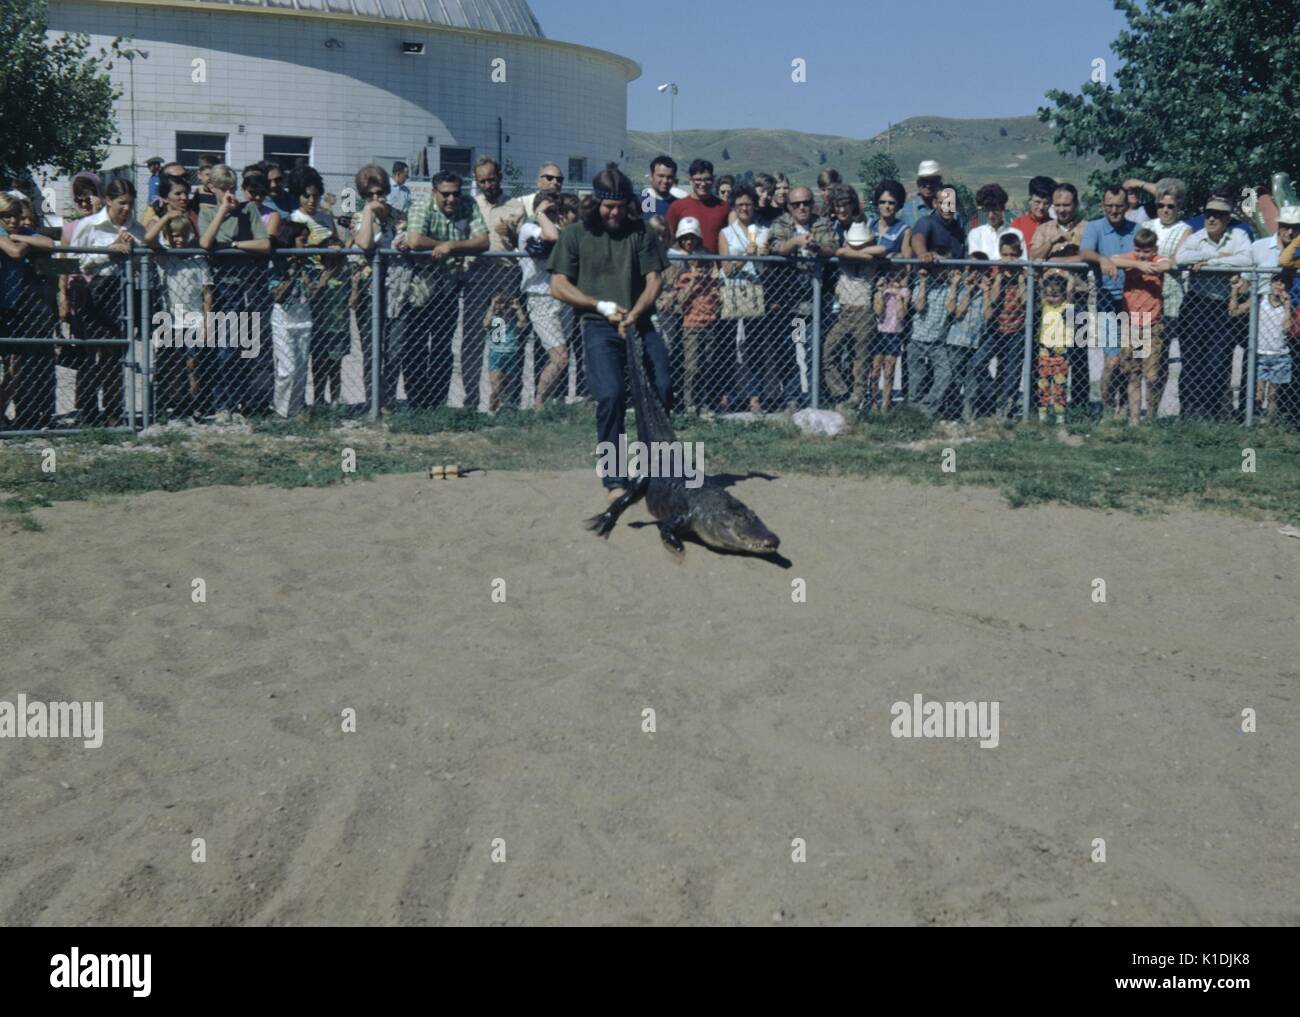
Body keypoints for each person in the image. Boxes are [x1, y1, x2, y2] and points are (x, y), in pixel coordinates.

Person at [547, 163, 670, 503]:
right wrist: (600, 305)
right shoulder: (576, 234)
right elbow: (558, 285)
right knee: (611, 395)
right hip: (597, 324)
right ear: (595, 202)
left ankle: (652, 469)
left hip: (639, 321)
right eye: (608, 206)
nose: (615, 212)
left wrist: (636, 311)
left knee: (661, 386)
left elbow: (655, 281)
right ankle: (615, 476)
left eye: (620, 206)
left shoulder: (641, 232)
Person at [401, 170, 490, 410]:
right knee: (416, 345)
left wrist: (451, 246)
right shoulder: (422, 205)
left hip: (450, 286)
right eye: (446, 195)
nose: (451, 200)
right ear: (434, 192)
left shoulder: (468, 204)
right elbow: (415, 240)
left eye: (455, 194)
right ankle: (417, 404)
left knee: (442, 346)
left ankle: (437, 403)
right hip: (421, 288)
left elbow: (483, 241)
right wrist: (447, 247)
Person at [66, 178, 146, 426]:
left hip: (122, 292)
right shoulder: (90, 225)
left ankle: (113, 410)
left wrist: (133, 251)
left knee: (115, 353)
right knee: (90, 351)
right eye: (121, 203)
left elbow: (143, 263)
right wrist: (109, 251)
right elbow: (75, 261)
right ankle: (88, 410)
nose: (126, 209)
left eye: (130, 204)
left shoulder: (137, 228)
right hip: (92, 290)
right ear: (109, 200)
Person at [198, 163, 272, 421]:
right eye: (222, 188)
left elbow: (264, 243)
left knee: (244, 349)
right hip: (220, 288)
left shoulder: (248, 210)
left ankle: (241, 402)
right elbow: (206, 243)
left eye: (231, 188)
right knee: (224, 349)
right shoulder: (207, 213)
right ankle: (222, 404)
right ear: (212, 188)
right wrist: (222, 211)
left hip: (245, 287)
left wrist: (235, 244)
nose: (229, 193)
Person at [1175, 196, 1252, 419]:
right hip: (1196, 304)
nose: (1211, 218)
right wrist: (1216, 256)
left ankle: (1211, 414)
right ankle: (1188, 414)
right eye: (1208, 213)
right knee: (1191, 361)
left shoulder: (1238, 236)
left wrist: (1210, 264)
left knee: (1217, 362)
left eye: (1218, 214)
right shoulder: (1197, 236)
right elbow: (1181, 257)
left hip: (1223, 307)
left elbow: (1247, 260)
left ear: (1228, 218)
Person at [1030, 183, 1090, 412]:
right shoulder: (1045, 229)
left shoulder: (1087, 228)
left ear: (1075, 204)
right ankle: (1042, 403)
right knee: (1045, 352)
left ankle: (1081, 405)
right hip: (1048, 301)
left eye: (1067, 204)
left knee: (1078, 351)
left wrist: (1055, 261)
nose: (1063, 209)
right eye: (1058, 205)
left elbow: (1087, 257)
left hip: (1078, 298)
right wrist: (1053, 241)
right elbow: (1034, 257)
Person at [0, 194, 57, 429]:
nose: (12, 220)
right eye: (6, 216)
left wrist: (20, 236)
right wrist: (21, 239)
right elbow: (14, 252)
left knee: (15, 366)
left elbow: (50, 243)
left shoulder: (20, 232)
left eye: (15, 215)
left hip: (12, 308)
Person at [1080, 185, 1138, 416]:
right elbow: (1085, 252)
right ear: (1103, 206)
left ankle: (1124, 408)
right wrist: (1103, 259)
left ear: (1126, 206)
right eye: (1110, 206)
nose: (1114, 210)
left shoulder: (1137, 229)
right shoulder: (1094, 227)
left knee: (1131, 361)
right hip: (1107, 300)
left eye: (1119, 206)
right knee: (1112, 360)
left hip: (1134, 301)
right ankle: (1106, 408)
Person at [517, 191, 578, 409]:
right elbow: (550, 236)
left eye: (556, 211)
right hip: (540, 296)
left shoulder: (561, 230)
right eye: (550, 211)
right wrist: (541, 213)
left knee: (561, 357)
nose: (555, 216)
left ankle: (548, 403)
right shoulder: (529, 228)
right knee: (559, 357)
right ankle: (537, 403)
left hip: (562, 297)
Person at [718, 184, 774, 412]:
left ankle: (754, 396)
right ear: (734, 207)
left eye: (748, 204)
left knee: (754, 346)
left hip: (755, 291)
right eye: (740, 205)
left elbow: (769, 269)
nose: (744, 208)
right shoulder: (726, 233)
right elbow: (728, 268)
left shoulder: (763, 231)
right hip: (732, 290)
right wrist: (745, 257)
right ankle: (724, 395)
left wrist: (764, 256)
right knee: (727, 345)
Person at [1107, 227, 1172, 424]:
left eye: (1147, 251)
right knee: (1133, 374)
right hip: (1132, 325)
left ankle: (1150, 417)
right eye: (1139, 250)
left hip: (1152, 325)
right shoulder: (1132, 259)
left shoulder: (1157, 260)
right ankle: (1134, 419)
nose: (1143, 255)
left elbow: (1166, 265)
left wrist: (1148, 266)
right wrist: (1136, 264)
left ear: (1154, 249)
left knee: (1151, 376)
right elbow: (1113, 260)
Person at [151, 213, 210, 418]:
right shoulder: (165, 257)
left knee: (192, 365)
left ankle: (195, 405)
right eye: (174, 235)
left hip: (194, 319)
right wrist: (166, 216)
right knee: (174, 364)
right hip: (171, 320)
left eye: (183, 235)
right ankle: (176, 405)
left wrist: (207, 321)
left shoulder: (198, 259)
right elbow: (149, 239)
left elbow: (207, 293)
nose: (179, 240)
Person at [923, 253, 988, 420]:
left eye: (979, 270)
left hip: (975, 342)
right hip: (956, 341)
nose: (975, 274)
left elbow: (988, 315)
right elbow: (956, 313)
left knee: (972, 382)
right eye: (971, 269)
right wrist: (968, 291)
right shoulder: (959, 288)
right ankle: (947, 412)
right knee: (953, 379)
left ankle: (968, 415)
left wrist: (985, 291)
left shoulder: (984, 290)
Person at [970, 235, 1029, 419]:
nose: (1008, 259)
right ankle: (995, 395)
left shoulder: (1026, 274)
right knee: (977, 363)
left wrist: (1020, 279)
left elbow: (1025, 301)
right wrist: (999, 278)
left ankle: (1005, 408)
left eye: (1012, 255)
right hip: (996, 330)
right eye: (1004, 255)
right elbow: (993, 301)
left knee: (1012, 372)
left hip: (1017, 331)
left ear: (1019, 254)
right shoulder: (996, 274)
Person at [821, 220, 878, 408]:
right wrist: (856, 252)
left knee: (861, 358)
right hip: (845, 311)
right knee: (828, 352)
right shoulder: (843, 254)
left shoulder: (874, 254)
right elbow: (840, 252)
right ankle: (841, 393)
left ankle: (857, 397)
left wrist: (861, 252)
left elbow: (880, 252)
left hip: (864, 311)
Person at [669, 217, 722, 412]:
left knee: (708, 364)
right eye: (685, 239)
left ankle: (704, 401)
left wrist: (709, 280)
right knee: (692, 367)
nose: (689, 243)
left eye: (692, 238)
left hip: (708, 321)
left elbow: (716, 291)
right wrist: (692, 280)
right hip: (691, 324)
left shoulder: (708, 266)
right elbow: (681, 300)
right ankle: (689, 402)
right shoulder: (682, 273)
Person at [1229, 273, 1292, 420]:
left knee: (1273, 395)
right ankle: (1254, 419)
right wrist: (1234, 292)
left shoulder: (1287, 305)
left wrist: (1287, 306)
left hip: (1279, 354)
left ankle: (1269, 422)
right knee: (1257, 393)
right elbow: (1234, 311)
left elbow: (1287, 328)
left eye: (1283, 283)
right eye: (1276, 282)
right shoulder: (1260, 299)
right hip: (1260, 353)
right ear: (1270, 284)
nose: (1279, 285)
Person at [267, 220, 313, 417]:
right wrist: (292, 269)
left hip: (303, 319)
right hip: (284, 320)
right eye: (303, 240)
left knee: (301, 370)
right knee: (288, 369)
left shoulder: (308, 264)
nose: (307, 244)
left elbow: (313, 291)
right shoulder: (279, 264)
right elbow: (277, 295)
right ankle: (280, 410)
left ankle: (295, 410)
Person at [310, 236, 351, 408]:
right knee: (318, 367)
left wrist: (355, 287)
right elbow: (312, 297)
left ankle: (335, 400)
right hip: (319, 327)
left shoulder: (346, 274)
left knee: (335, 367)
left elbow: (352, 302)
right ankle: (318, 400)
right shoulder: (316, 272)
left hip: (339, 327)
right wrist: (323, 281)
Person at [906, 263, 952, 411]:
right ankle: (914, 409)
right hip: (918, 338)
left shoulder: (949, 288)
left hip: (937, 341)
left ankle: (928, 406)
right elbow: (919, 306)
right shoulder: (921, 284)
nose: (941, 271)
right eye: (937, 267)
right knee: (916, 377)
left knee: (945, 374)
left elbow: (951, 310)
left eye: (944, 267)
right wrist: (924, 281)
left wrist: (955, 284)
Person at [666, 160, 732, 253]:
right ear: (690, 180)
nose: (703, 184)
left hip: (716, 265)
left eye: (707, 179)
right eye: (698, 179)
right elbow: (669, 240)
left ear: (713, 179)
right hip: (686, 265)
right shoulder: (677, 207)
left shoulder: (724, 207)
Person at [869, 262, 908, 413]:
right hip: (879, 333)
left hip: (894, 334)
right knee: (874, 372)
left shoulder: (904, 292)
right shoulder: (881, 291)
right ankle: (873, 403)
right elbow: (878, 312)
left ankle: (886, 404)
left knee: (889, 371)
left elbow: (901, 315)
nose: (893, 277)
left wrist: (897, 295)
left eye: (897, 273)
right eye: (890, 273)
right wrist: (880, 292)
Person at [483, 288, 528, 413]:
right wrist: (493, 306)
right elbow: (486, 324)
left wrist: (517, 308)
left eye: (505, 302)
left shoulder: (513, 319)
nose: (502, 306)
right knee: (496, 387)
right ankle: (491, 410)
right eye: (499, 302)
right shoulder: (493, 318)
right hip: (496, 355)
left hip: (511, 355)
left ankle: (502, 409)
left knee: (506, 387)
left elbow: (524, 324)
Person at [1036, 273, 1071, 424]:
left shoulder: (1066, 307)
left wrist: (1068, 277)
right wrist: (1048, 273)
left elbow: (1070, 292)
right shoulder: (1045, 306)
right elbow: (1041, 287)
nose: (1052, 298)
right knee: (1043, 384)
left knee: (1059, 386)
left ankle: (1059, 415)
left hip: (1060, 353)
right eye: (1049, 295)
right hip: (1044, 351)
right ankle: (1042, 413)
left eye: (1056, 295)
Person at [967, 183, 1024, 260]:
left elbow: (1023, 261)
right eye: (987, 210)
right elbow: (975, 261)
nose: (991, 215)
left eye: (995, 210)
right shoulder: (976, 234)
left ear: (1002, 209)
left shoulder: (1016, 234)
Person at [910, 186, 966, 261]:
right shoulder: (926, 222)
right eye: (942, 203)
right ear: (935, 203)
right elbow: (917, 238)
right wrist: (922, 254)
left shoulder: (957, 228)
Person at [900, 160, 956, 228]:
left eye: (933, 181)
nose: (928, 186)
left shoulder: (951, 213)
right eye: (924, 181)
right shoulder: (905, 211)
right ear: (918, 183)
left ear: (940, 184)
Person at [1010, 176, 1056, 250]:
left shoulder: (1055, 226)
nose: (1041, 207)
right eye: (1037, 202)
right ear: (1030, 200)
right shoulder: (1018, 225)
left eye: (1046, 203)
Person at [640, 155, 678, 220]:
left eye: (669, 177)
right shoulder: (637, 202)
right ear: (651, 177)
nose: (665, 181)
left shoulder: (678, 205)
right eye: (661, 176)